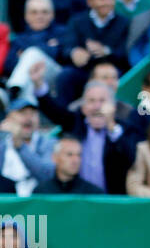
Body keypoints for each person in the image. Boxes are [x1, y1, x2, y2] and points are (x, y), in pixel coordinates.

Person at [30, 58, 138, 193]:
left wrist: (111, 125)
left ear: (112, 106)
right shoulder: (75, 123)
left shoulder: (124, 129)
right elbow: (54, 111)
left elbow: (132, 158)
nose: (97, 106)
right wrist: (39, 84)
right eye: (91, 101)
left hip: (112, 203)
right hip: (80, 202)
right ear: (84, 107)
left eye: (102, 101)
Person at [56, 0, 130, 104]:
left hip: (112, 71)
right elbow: (66, 47)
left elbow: (125, 53)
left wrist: (106, 51)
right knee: (66, 75)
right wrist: (74, 53)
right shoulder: (77, 21)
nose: (106, 3)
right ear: (89, 1)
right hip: (85, 70)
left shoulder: (124, 22)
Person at [5, 0, 65, 97]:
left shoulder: (62, 33)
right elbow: (8, 66)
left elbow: (61, 55)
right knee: (31, 74)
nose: (39, 16)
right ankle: (20, 96)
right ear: (26, 16)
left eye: (44, 12)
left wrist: (25, 56)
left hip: (54, 78)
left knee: (32, 54)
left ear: (52, 14)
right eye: (34, 12)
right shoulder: (19, 38)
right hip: (30, 79)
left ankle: (12, 90)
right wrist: (47, 47)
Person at [33, 135, 106, 193]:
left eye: (79, 155)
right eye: (69, 154)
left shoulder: (93, 194)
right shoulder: (41, 192)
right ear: (55, 158)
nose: (76, 160)